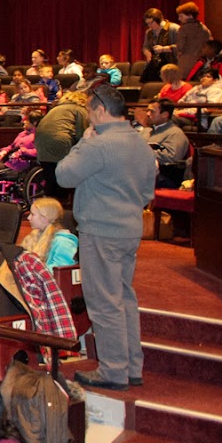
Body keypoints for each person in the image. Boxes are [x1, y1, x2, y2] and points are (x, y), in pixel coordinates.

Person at [55, 85, 155, 390]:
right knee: (124, 297)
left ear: (100, 110)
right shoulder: (140, 143)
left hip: (101, 230)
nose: (87, 118)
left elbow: (63, 175)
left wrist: (82, 144)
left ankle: (113, 371)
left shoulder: (97, 144)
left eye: (88, 111)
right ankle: (130, 367)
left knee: (104, 302)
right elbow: (148, 192)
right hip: (129, 229)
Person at [144, 99, 191, 189]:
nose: (148, 114)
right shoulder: (145, 131)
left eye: (152, 111)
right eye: (147, 111)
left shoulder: (175, 133)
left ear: (165, 114)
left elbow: (172, 157)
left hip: (164, 176)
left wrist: (142, 154)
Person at [21, 197, 79, 268]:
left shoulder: (63, 242)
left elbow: (60, 271)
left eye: (32, 214)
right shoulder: (33, 237)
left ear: (44, 218)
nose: (28, 218)